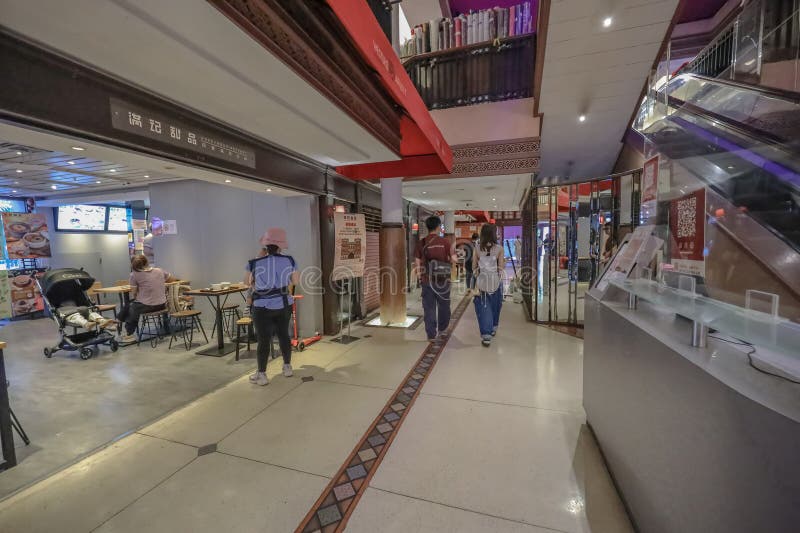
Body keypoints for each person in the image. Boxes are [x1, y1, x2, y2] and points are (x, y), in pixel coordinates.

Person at [247, 228, 298, 386]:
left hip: (262, 307)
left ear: (265, 246)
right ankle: (287, 367)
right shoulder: (290, 260)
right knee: (283, 335)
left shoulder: (254, 263)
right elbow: (296, 281)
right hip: (283, 304)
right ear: (280, 246)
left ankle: (262, 375)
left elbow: (246, 282)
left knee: (263, 340)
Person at [415, 216, 457, 341]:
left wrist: (419, 277)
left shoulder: (421, 242)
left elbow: (417, 262)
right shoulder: (445, 242)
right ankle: (442, 329)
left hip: (427, 280)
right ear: (438, 227)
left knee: (429, 307)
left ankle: (431, 334)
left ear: (427, 227)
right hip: (443, 281)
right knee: (444, 305)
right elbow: (454, 259)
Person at [119, 255, 175, 342]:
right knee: (131, 306)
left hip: (148, 306)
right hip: (163, 305)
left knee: (131, 307)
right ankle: (117, 322)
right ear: (147, 262)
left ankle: (128, 333)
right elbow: (172, 280)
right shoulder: (159, 270)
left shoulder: (134, 275)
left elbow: (134, 294)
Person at [472, 223, 505, 347]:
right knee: (496, 305)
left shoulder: (477, 248)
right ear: (494, 234)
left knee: (484, 306)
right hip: (495, 281)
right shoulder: (500, 249)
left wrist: (478, 276)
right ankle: (493, 327)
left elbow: (474, 267)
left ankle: (486, 335)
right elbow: (500, 268)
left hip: (482, 281)